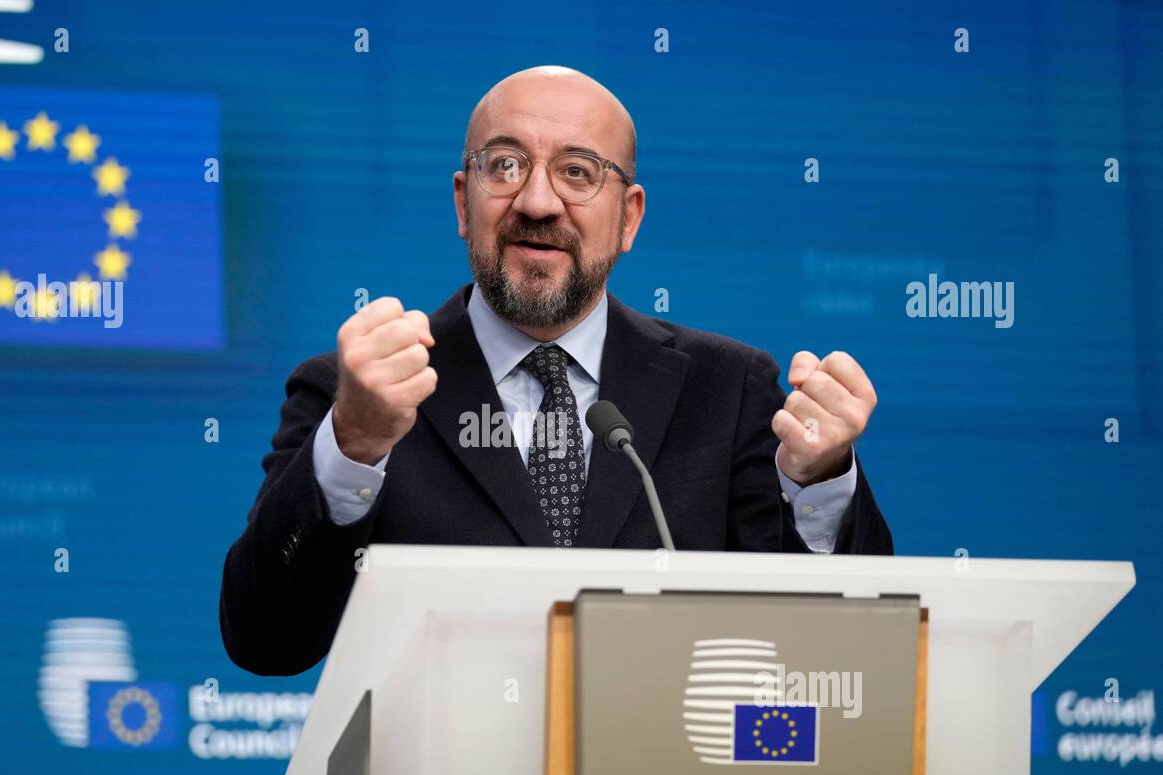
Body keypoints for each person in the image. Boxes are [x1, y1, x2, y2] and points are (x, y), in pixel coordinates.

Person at [220, 66, 892, 677]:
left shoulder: (727, 389)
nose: (537, 202)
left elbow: (832, 657)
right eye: (505, 165)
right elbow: (265, 640)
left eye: (577, 173)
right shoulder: (356, 395)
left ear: (628, 217)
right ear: (463, 202)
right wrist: (354, 447)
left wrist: (818, 484)